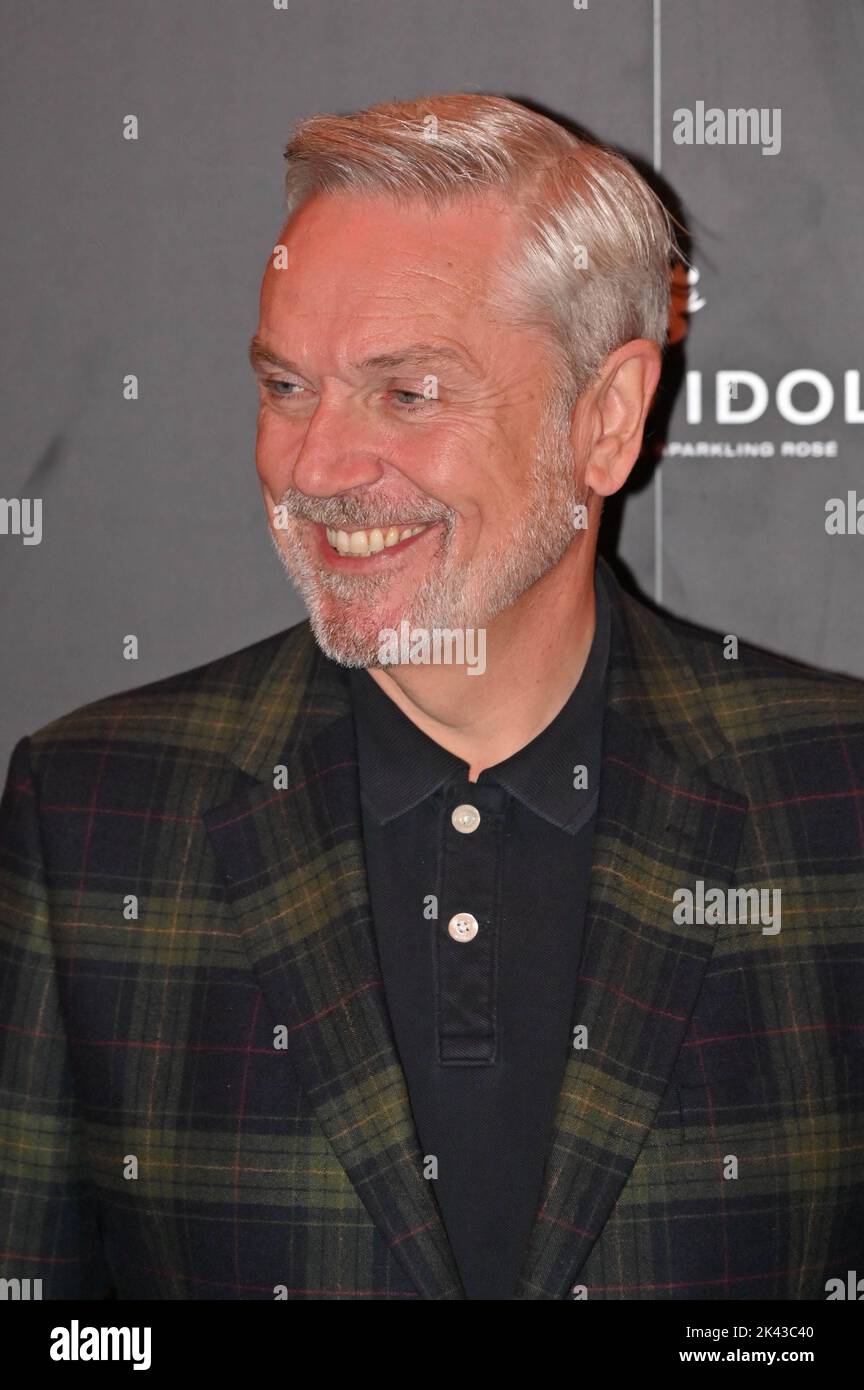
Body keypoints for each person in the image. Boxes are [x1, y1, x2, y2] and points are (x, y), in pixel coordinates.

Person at [1, 93, 862, 1302]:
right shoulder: (94, 815)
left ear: (605, 421)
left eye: (406, 393)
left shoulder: (837, 801)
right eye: (288, 386)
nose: (315, 468)